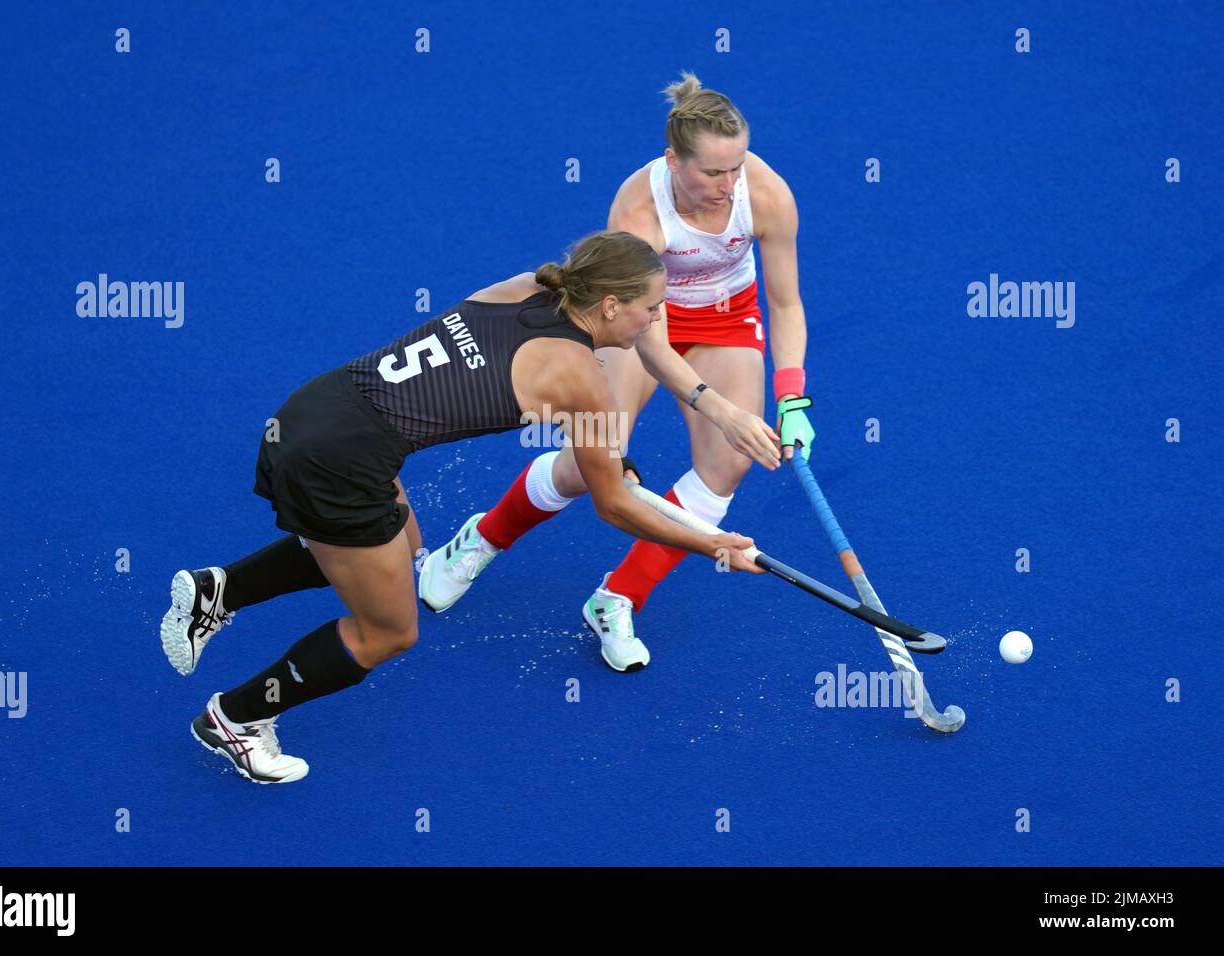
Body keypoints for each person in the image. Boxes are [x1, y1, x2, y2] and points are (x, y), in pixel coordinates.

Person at [161, 231, 764, 784]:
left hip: (315, 409)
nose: (656, 319)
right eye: (650, 307)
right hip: (342, 465)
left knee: (402, 550)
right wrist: (714, 544)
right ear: (609, 305)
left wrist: (607, 453)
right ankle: (234, 720)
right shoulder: (582, 379)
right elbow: (611, 507)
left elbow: (592, 446)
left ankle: (221, 592)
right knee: (389, 632)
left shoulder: (531, 285)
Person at [418, 73, 815, 672]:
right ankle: (483, 538)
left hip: (728, 319)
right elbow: (648, 340)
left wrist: (792, 399)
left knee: (728, 462)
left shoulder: (768, 195)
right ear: (672, 160)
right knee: (591, 460)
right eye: (712, 173)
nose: (729, 186)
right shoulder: (637, 213)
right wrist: (723, 409)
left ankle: (619, 595)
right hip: (636, 323)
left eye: (736, 168)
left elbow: (784, 303)